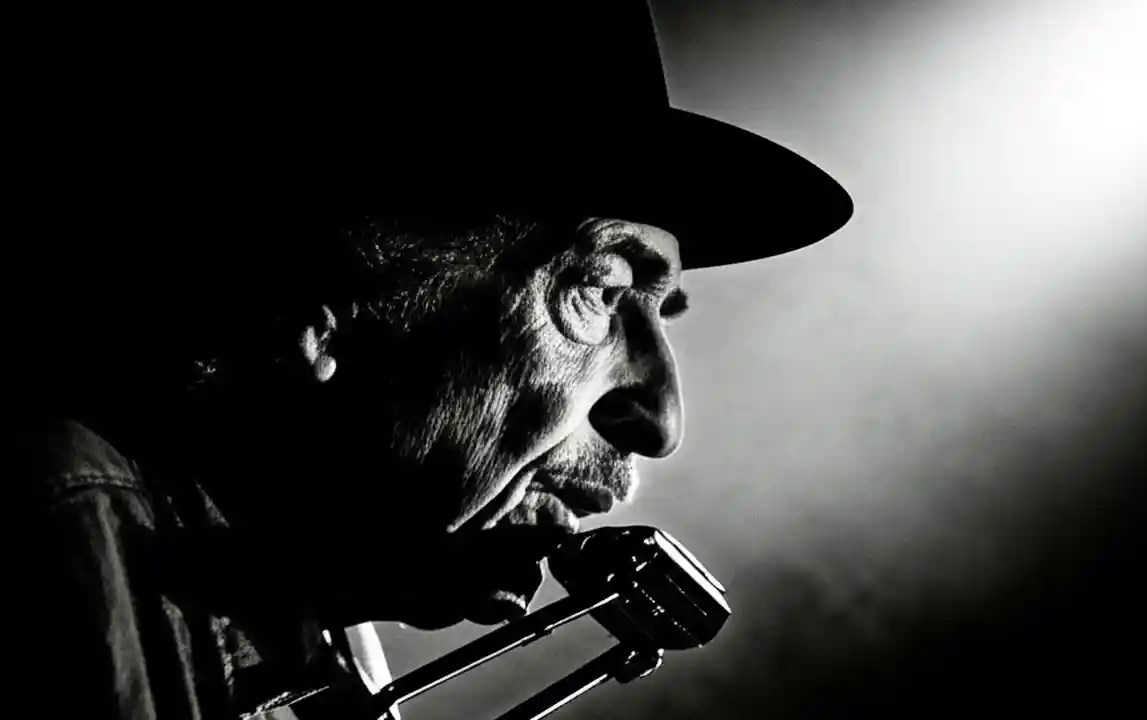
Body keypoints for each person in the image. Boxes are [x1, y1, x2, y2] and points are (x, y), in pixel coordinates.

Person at [21, 3, 851, 718]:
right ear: (331, 312)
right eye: (600, 291)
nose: (660, 419)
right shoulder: (61, 521)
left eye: (659, 313)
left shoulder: (320, 638)